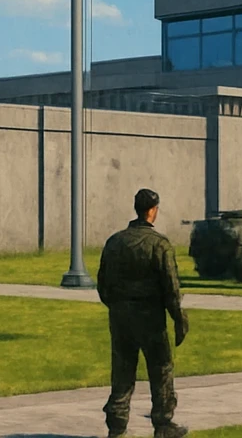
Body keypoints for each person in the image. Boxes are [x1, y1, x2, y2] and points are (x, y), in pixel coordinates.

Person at [97, 188, 189, 438]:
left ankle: (117, 425)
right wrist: (178, 317)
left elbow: (102, 284)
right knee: (161, 368)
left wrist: (118, 307)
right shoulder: (159, 244)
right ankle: (163, 423)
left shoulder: (115, 242)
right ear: (152, 211)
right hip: (150, 318)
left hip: (120, 317)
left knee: (122, 370)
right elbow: (171, 286)